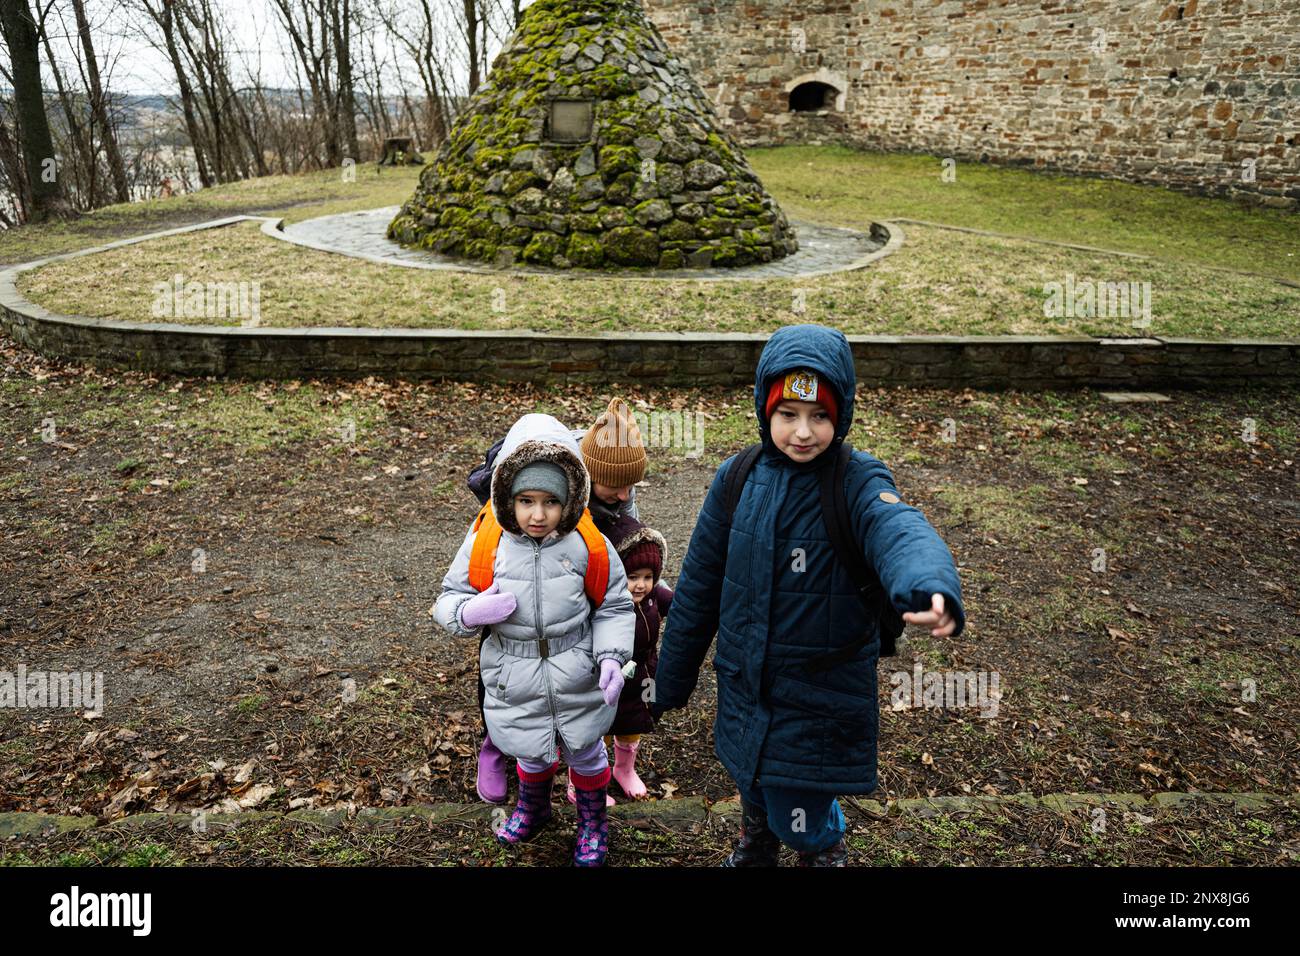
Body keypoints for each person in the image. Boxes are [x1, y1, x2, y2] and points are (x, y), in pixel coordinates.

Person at [651, 324, 967, 866]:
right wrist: (669, 681)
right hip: (746, 681)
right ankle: (757, 848)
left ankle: (824, 850)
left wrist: (927, 582)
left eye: (819, 416)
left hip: (820, 688)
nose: (803, 432)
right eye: (788, 415)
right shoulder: (736, 479)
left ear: (840, 415)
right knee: (753, 779)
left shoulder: (855, 479)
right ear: (764, 410)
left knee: (798, 801)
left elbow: (898, 528)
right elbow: (700, 586)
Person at [434, 413, 635, 866]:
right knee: (530, 745)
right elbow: (446, 600)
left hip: (576, 669)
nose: (538, 515)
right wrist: (469, 612)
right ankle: (533, 806)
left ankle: (592, 823)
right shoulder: (486, 542)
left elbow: (615, 605)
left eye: (550, 502)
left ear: (571, 498)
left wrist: (609, 656)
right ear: (507, 495)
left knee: (585, 750)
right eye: (526, 501)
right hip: (514, 670)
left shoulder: (590, 544)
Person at [468, 398, 647, 804]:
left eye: (629, 487)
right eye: (614, 488)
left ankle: (576, 756)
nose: (623, 495)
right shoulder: (532, 486)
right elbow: (472, 567)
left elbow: (626, 536)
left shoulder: (615, 490)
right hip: (514, 592)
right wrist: (472, 609)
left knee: (572, 673)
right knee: (507, 665)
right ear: (587, 476)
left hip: (572, 573)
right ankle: (496, 743)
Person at [565, 514, 673, 805]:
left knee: (632, 723)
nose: (640, 585)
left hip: (643, 674)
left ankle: (624, 769)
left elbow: (683, 606)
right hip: (604, 673)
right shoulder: (602, 604)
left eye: (648, 577)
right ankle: (580, 780)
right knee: (594, 727)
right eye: (632, 577)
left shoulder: (654, 598)